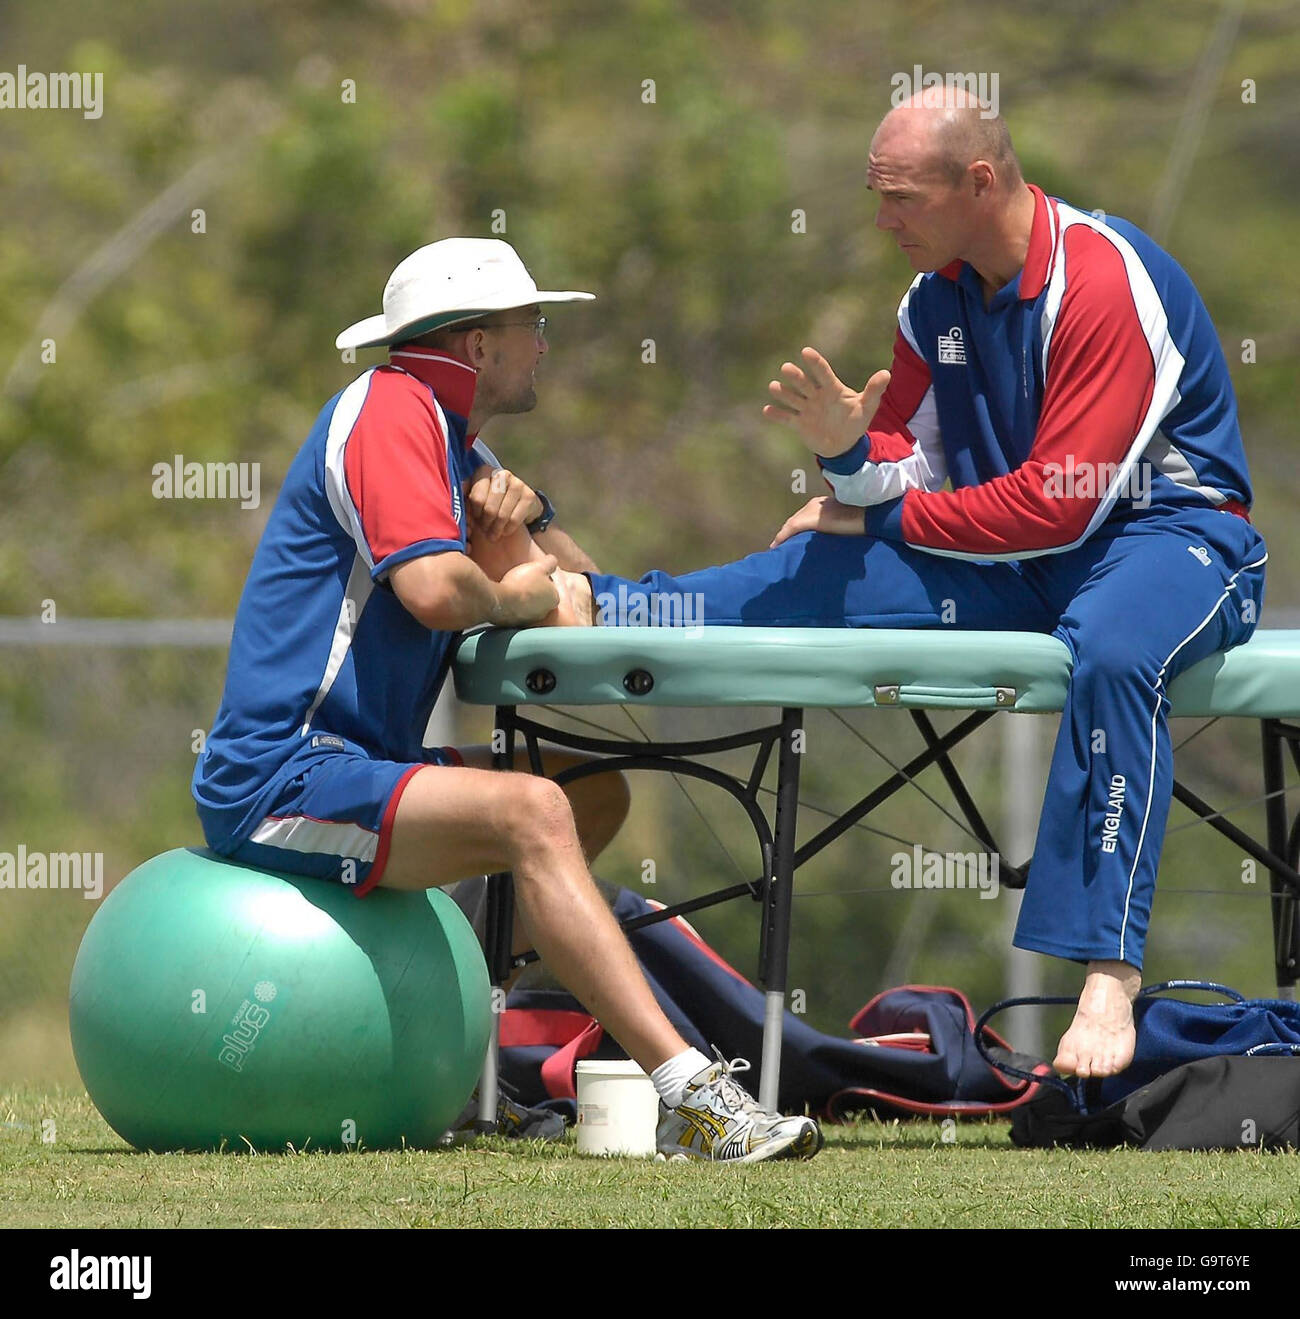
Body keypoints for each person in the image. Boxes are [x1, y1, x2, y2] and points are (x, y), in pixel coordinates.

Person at [553, 93, 1267, 1081]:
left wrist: (874, 511)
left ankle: (1109, 971)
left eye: (900, 199)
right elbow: (905, 470)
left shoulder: (1102, 282)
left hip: (1171, 537)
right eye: (874, 196)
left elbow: (1054, 506)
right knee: (816, 561)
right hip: (1022, 554)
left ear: (980, 181)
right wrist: (846, 459)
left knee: (1109, 646)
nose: (883, 221)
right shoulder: (932, 301)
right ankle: (602, 600)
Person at [191, 237, 822, 1162]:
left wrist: (527, 528)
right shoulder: (388, 412)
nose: (546, 343)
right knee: (534, 809)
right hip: (280, 778)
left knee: (593, 792)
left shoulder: (461, 446)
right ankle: (691, 1092)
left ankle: (459, 1070)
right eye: (535, 324)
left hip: (362, 771)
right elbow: (442, 594)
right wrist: (518, 587)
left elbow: (586, 594)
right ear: (478, 346)